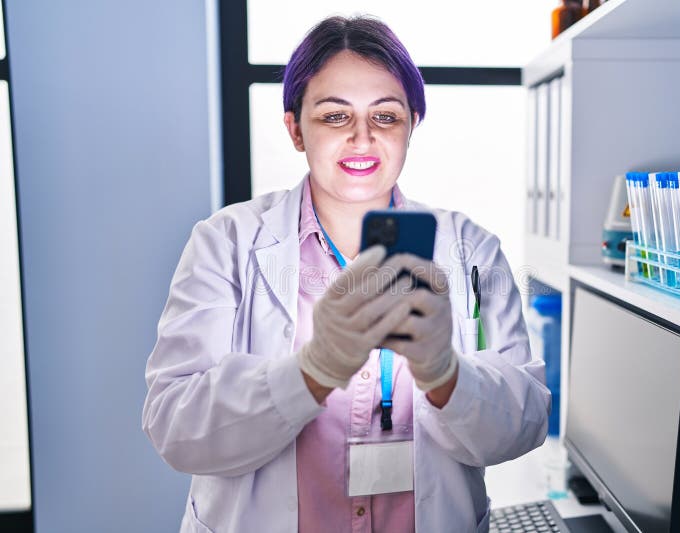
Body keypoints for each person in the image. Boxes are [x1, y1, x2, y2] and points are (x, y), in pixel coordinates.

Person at [142, 15, 550, 533]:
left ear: (412, 124)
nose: (362, 138)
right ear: (296, 129)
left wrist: (446, 375)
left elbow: (525, 422)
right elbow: (174, 424)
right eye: (335, 116)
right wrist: (311, 371)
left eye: (386, 116)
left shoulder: (471, 249)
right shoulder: (225, 242)